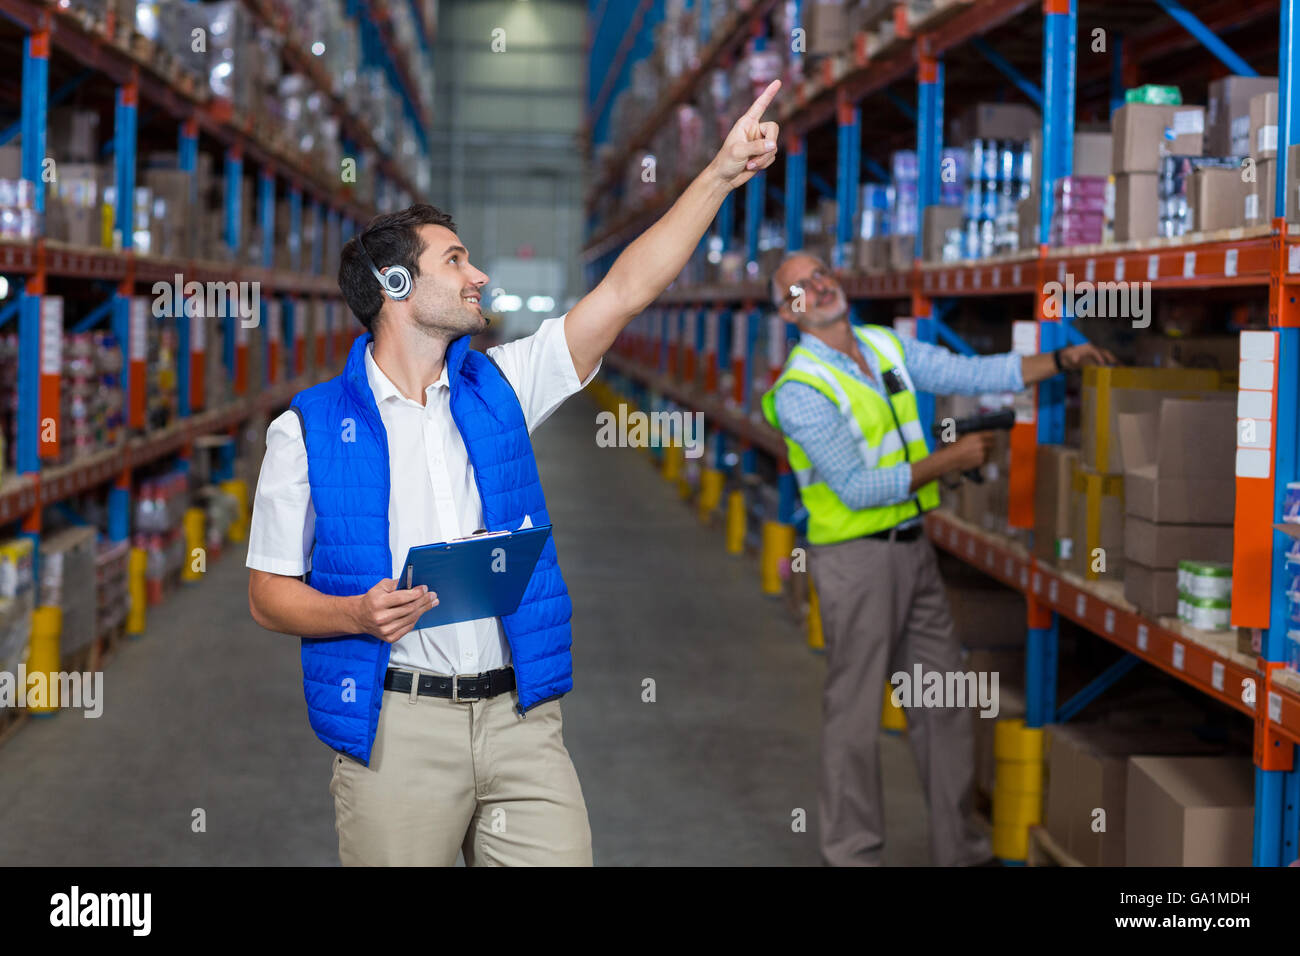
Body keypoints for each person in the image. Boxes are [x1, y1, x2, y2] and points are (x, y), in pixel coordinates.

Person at [245, 80, 784, 866]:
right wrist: (358, 616)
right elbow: (267, 596)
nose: (479, 278)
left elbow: (626, 290)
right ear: (396, 287)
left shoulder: (499, 388)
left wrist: (720, 175)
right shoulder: (308, 430)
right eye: (456, 260)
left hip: (521, 722)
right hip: (399, 731)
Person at [760, 253, 1114, 866]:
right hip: (853, 562)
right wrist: (948, 461)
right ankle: (853, 854)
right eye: (799, 287)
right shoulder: (800, 390)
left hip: (913, 549)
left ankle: (961, 851)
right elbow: (856, 487)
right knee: (854, 717)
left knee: (943, 701)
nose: (817, 288)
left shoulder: (885, 348)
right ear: (786, 311)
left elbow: (972, 373)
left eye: (820, 274)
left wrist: (1058, 360)